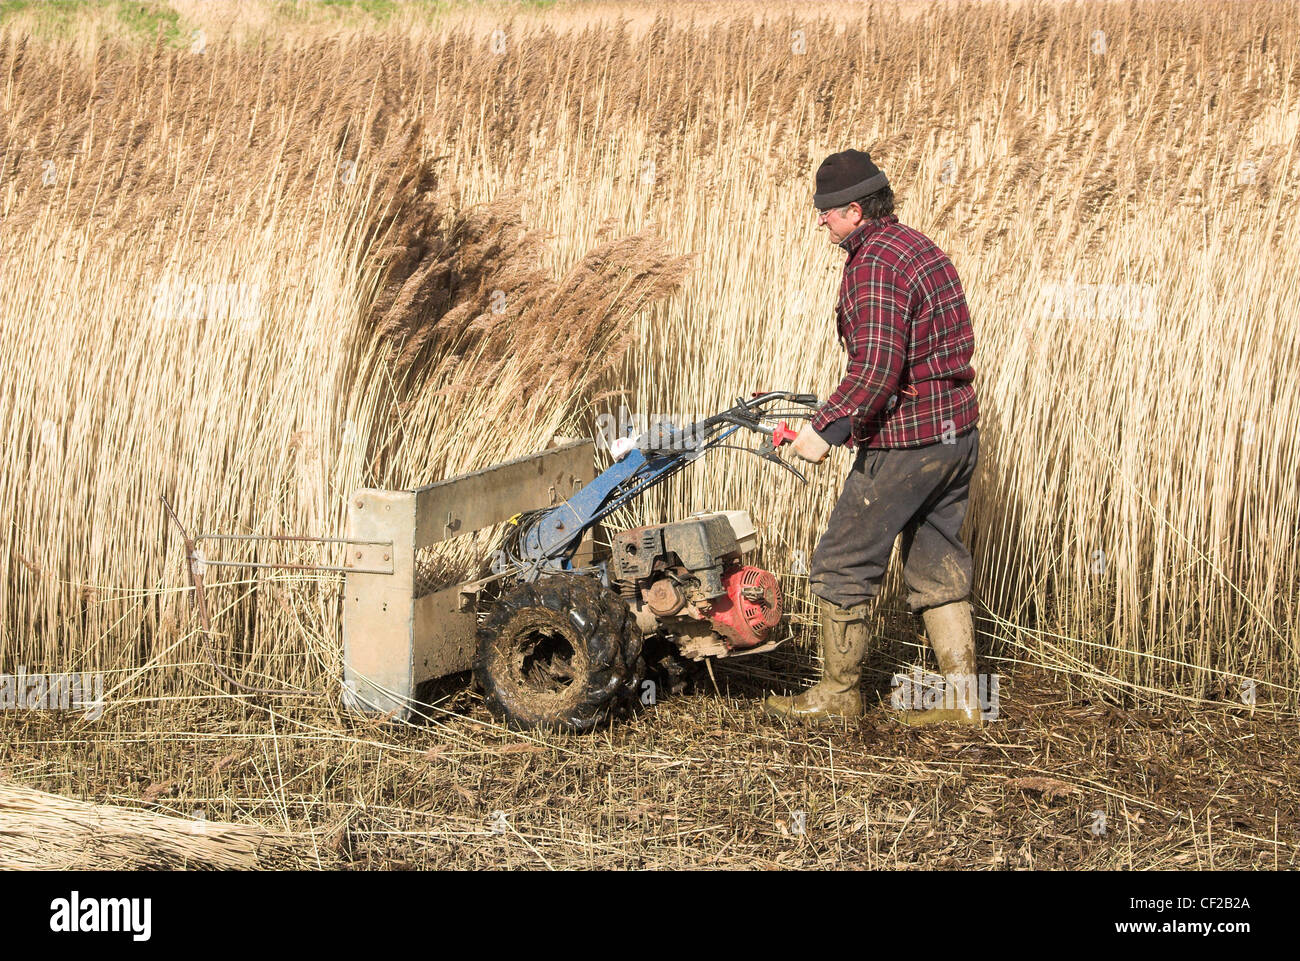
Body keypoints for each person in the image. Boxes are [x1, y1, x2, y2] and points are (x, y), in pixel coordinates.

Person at [763, 149, 984, 726]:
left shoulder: (875, 264)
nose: (820, 221)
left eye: (827, 211)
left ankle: (837, 697)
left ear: (854, 210)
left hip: (907, 443)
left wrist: (823, 431)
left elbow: (877, 368)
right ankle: (963, 699)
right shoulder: (917, 246)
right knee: (937, 556)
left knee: (841, 560)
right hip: (954, 435)